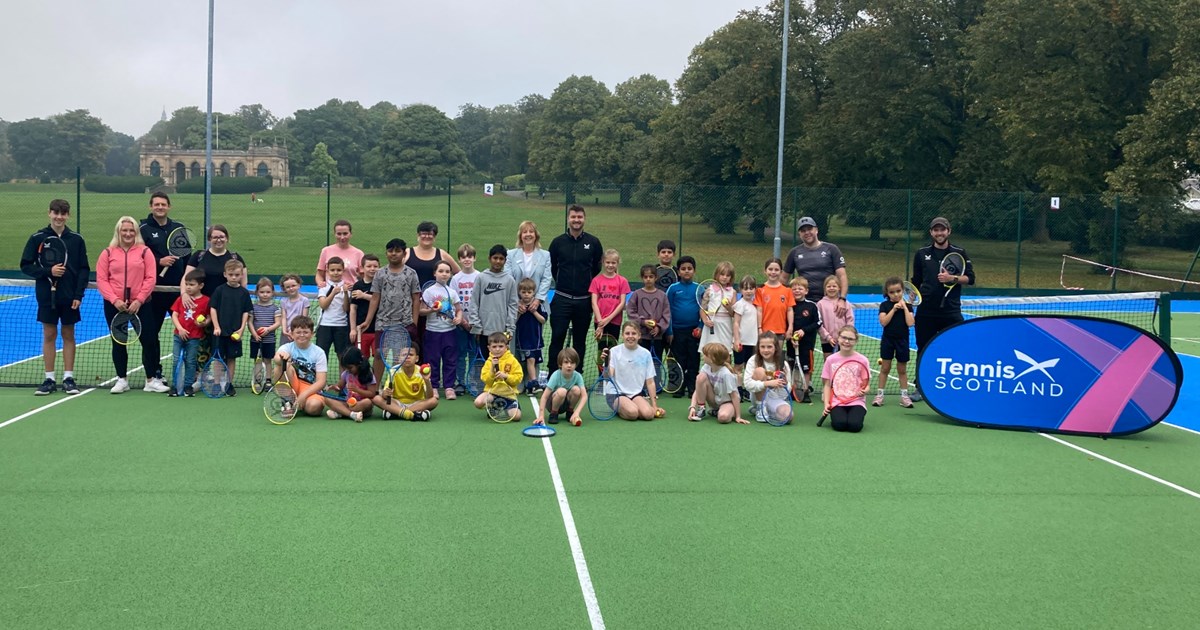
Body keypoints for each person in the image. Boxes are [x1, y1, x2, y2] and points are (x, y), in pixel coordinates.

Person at [20, 199, 89, 395]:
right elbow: (26, 265)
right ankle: (49, 379)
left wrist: (78, 295)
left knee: (69, 334)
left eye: (63, 213)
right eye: (55, 213)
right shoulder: (37, 238)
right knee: (49, 335)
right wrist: (48, 271)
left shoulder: (76, 239)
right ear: (49, 213)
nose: (59, 217)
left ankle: (68, 378)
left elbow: (83, 269)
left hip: (70, 297)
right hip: (46, 296)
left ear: (68, 215)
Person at [911, 216, 974, 401]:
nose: (939, 233)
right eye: (936, 230)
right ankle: (920, 387)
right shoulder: (922, 254)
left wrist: (952, 279)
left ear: (949, 231)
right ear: (931, 232)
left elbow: (970, 278)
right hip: (926, 311)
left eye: (942, 230)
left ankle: (952, 385)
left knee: (955, 347)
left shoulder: (959, 252)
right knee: (923, 348)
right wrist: (909, 299)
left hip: (951, 311)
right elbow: (916, 281)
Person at [95, 216, 157, 394]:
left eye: (131, 230)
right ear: (118, 232)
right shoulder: (107, 253)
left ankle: (151, 379)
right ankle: (122, 379)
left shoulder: (145, 252)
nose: (128, 233)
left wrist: (139, 300)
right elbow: (101, 279)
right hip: (115, 306)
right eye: (124, 230)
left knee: (149, 341)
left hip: (141, 305)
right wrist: (115, 300)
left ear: (136, 232)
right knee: (118, 342)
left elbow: (150, 278)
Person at [139, 192, 189, 392]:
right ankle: (154, 374)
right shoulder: (142, 229)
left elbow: (187, 257)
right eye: (156, 204)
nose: (160, 207)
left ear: (169, 207)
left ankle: (191, 372)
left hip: (177, 291)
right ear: (151, 207)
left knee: (189, 332)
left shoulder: (178, 229)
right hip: (154, 292)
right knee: (151, 334)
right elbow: (138, 256)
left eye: (163, 204)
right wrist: (159, 261)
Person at [547, 204, 603, 373]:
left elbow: (596, 268)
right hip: (561, 299)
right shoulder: (557, 243)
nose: (576, 220)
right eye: (573, 217)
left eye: (579, 217)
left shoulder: (593, 242)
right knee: (557, 338)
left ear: (584, 219)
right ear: (568, 219)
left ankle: (577, 376)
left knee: (580, 341)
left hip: (583, 301)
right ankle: (553, 375)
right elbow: (553, 268)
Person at [364, 238, 422, 383]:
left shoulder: (411, 273)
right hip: (383, 322)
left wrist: (414, 322)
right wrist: (368, 320)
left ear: (404, 253)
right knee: (378, 354)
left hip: (404, 323)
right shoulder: (380, 273)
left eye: (397, 251)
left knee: (400, 357)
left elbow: (416, 299)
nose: (393, 254)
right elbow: (375, 297)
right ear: (386, 253)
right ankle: (375, 388)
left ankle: (398, 387)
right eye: (390, 251)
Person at [782, 216, 849, 318]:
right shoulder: (794, 252)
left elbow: (842, 276)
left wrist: (842, 299)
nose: (807, 232)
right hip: (804, 302)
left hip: (830, 301)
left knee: (833, 333)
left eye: (809, 229)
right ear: (799, 234)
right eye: (803, 230)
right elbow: (784, 278)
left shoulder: (832, 249)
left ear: (816, 230)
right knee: (803, 332)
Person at [406, 221, 459, 345]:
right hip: (411, 304)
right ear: (418, 235)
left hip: (434, 306)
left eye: (430, 234)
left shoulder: (441, 254)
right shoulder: (408, 253)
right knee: (413, 340)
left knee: (429, 342)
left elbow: (458, 273)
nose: (427, 237)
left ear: (434, 237)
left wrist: (448, 294)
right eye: (423, 234)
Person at [209, 259, 253, 396]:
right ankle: (217, 384)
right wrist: (216, 326)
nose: (234, 277)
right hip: (219, 332)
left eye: (237, 275)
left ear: (241, 275)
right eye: (231, 274)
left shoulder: (244, 293)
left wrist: (241, 329)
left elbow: (246, 312)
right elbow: (213, 309)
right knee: (217, 359)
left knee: (231, 359)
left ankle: (228, 383)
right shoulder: (219, 290)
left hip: (235, 333)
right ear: (225, 274)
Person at [421, 260, 463, 400]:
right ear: (435, 273)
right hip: (432, 332)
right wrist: (432, 310)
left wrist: (458, 318)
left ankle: (449, 387)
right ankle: (434, 387)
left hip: (449, 332)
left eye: (447, 272)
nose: (444, 274)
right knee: (432, 360)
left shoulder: (452, 292)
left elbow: (458, 309)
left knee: (450, 359)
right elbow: (421, 310)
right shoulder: (429, 292)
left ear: (450, 274)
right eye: (441, 271)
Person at [602, 322, 661, 421]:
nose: (630, 336)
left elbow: (650, 382)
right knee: (633, 413)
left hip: (636, 394)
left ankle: (634, 406)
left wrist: (654, 406)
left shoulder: (646, 354)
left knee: (649, 414)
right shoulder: (614, 351)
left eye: (633, 333)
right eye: (627, 333)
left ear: (639, 336)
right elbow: (608, 377)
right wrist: (606, 363)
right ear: (622, 335)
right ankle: (623, 408)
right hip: (616, 394)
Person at [273, 315, 328, 417]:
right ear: (292, 334)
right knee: (281, 365)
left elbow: (321, 381)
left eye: (306, 332)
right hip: (292, 384)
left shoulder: (319, 352)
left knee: (314, 408)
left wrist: (304, 395)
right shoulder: (286, 347)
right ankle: (287, 400)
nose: (302, 335)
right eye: (298, 332)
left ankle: (299, 403)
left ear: (312, 334)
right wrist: (281, 358)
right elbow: (276, 359)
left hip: (310, 388)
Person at [180, 224, 247, 306]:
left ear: (226, 238)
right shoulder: (199, 256)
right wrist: (184, 294)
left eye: (221, 237)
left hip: (226, 304)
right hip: (202, 304)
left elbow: (243, 283)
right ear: (209, 239)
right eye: (215, 237)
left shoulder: (235, 257)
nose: (219, 240)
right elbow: (186, 277)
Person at [874, 276, 916, 408]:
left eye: (898, 291)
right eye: (892, 292)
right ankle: (879, 395)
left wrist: (904, 307)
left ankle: (904, 396)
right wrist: (893, 309)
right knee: (885, 368)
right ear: (887, 293)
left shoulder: (908, 306)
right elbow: (883, 322)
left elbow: (910, 323)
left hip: (902, 341)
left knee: (902, 370)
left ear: (903, 291)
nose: (896, 294)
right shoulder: (884, 305)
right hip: (888, 341)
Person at [821, 325, 871, 433]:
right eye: (844, 337)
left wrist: (865, 391)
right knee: (839, 425)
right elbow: (827, 385)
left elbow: (866, 385)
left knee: (855, 426)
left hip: (857, 401)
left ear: (856, 341)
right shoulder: (830, 360)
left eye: (851, 339)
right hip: (837, 402)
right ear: (838, 338)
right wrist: (826, 404)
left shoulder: (863, 360)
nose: (846, 341)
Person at [169, 269, 210, 397]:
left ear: (201, 286)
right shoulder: (181, 299)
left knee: (191, 361)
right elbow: (174, 315)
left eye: (191, 284)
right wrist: (180, 329)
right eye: (186, 284)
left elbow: (209, 317)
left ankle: (188, 386)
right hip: (178, 335)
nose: (188, 287)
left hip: (194, 337)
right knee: (176, 360)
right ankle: (175, 386)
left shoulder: (206, 301)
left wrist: (204, 323)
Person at [469, 244, 518, 350]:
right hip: (483, 330)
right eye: (495, 258)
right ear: (489, 259)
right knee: (484, 364)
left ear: (505, 261)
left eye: (501, 259)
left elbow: (513, 306)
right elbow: (474, 302)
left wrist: (509, 328)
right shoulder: (481, 278)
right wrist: (476, 325)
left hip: (501, 332)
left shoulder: (510, 280)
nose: (498, 261)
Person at [666, 256, 701, 398]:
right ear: (679, 272)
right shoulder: (673, 289)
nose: (686, 271)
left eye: (689, 269)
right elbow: (666, 310)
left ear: (694, 271)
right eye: (683, 269)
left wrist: (700, 326)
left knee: (694, 359)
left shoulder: (699, 288)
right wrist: (669, 331)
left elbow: (705, 310)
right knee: (678, 360)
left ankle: (692, 387)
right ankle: (678, 387)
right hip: (676, 331)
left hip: (694, 331)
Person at [373, 345, 437, 421]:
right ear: (399, 358)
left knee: (434, 401)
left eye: (411, 354)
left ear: (417, 358)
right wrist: (385, 394)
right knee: (377, 399)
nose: (407, 357)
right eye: (404, 355)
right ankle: (415, 414)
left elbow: (429, 397)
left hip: (417, 403)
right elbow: (385, 396)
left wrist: (426, 380)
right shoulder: (393, 371)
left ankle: (397, 413)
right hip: (397, 402)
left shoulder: (421, 372)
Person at [688, 342, 746, 424]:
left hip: (727, 401)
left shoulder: (726, 374)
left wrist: (738, 416)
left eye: (705, 355)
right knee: (700, 377)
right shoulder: (706, 367)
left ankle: (724, 412)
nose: (703, 356)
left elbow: (734, 396)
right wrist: (692, 407)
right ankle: (702, 409)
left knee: (723, 418)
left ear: (712, 359)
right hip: (714, 400)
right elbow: (698, 389)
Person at [449, 244, 480, 396]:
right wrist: (462, 321)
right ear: (459, 259)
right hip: (460, 324)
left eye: (469, 256)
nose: (467, 259)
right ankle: (460, 382)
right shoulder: (455, 279)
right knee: (460, 354)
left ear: (474, 258)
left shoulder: (480, 276)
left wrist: (474, 322)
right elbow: (454, 302)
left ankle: (473, 382)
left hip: (476, 325)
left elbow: (481, 300)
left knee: (474, 354)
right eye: (463, 257)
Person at [742, 333, 792, 423]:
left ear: (775, 347)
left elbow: (786, 393)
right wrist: (767, 383)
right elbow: (747, 385)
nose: (766, 350)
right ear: (758, 348)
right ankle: (760, 407)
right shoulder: (753, 360)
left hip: (775, 398)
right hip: (757, 397)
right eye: (762, 347)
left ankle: (761, 410)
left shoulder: (783, 364)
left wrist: (784, 385)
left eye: (769, 347)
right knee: (760, 371)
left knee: (788, 417)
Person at [505, 221, 552, 317]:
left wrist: (537, 300)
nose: (528, 234)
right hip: (515, 307)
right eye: (525, 232)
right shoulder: (510, 255)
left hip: (537, 307)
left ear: (536, 235)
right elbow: (508, 279)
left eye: (531, 232)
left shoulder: (545, 255)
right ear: (520, 236)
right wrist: (517, 301)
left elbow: (546, 279)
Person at [473, 332, 523, 422]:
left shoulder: (512, 361)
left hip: (509, 395)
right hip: (492, 393)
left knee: (517, 417)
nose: (497, 349)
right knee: (478, 402)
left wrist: (506, 376)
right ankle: (493, 406)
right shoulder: (489, 362)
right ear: (489, 348)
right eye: (494, 346)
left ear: (506, 347)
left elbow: (518, 378)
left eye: (501, 346)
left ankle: (506, 407)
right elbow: (486, 380)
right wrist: (492, 369)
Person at [626, 264, 671, 358]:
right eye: (645, 277)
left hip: (657, 337)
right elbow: (631, 311)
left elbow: (666, 314)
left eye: (651, 276)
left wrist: (659, 327)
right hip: (640, 336)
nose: (648, 279)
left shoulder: (662, 295)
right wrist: (642, 322)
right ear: (642, 278)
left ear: (656, 277)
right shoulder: (637, 294)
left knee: (655, 363)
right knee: (640, 362)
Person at [535, 347, 588, 426]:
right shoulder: (556, 375)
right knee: (562, 391)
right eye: (566, 362)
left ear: (576, 364)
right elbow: (544, 396)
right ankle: (554, 414)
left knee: (577, 390)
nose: (569, 365)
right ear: (560, 364)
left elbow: (584, 396)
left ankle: (570, 412)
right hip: (552, 403)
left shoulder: (578, 376)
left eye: (572, 363)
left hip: (565, 402)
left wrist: (577, 412)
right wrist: (541, 415)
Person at [788, 277, 821, 403]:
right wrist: (791, 337)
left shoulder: (812, 306)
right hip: (792, 343)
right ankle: (794, 390)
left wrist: (804, 330)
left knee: (806, 369)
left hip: (807, 345)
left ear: (806, 291)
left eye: (800, 288)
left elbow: (818, 322)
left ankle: (806, 391)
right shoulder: (789, 306)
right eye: (794, 288)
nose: (797, 291)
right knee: (793, 368)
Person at [323, 347, 377, 422]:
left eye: (350, 368)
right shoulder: (346, 373)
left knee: (368, 402)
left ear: (358, 363)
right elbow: (340, 386)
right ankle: (351, 414)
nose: (348, 370)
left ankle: (341, 412)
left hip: (362, 405)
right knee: (327, 400)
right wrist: (335, 387)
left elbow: (372, 394)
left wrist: (357, 390)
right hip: (349, 403)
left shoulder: (368, 374)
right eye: (346, 368)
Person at [514, 277, 547, 395]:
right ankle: (533, 382)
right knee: (529, 360)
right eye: (523, 292)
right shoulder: (518, 306)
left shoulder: (537, 305)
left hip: (536, 340)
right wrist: (519, 313)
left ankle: (530, 386)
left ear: (534, 292)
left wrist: (534, 312)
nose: (526, 295)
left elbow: (543, 320)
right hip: (522, 340)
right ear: (519, 292)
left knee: (533, 361)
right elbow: (513, 321)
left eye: (529, 292)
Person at [315, 257, 351, 361]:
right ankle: (321, 377)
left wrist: (345, 293)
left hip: (341, 326)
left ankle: (342, 378)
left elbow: (346, 308)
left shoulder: (346, 288)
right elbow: (323, 305)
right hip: (325, 325)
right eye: (332, 270)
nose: (335, 273)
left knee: (342, 356)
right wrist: (333, 293)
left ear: (343, 271)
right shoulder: (323, 287)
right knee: (321, 355)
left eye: (339, 270)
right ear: (327, 271)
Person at [589, 248, 630, 340]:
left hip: (615, 321)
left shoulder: (622, 281)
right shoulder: (596, 281)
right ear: (603, 262)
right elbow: (594, 303)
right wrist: (600, 322)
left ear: (617, 263)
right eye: (608, 262)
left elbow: (622, 303)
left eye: (613, 263)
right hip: (599, 321)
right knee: (601, 350)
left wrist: (607, 319)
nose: (610, 265)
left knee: (612, 348)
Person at [249, 277, 282, 385]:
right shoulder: (253, 308)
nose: (265, 294)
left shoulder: (275, 308)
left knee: (268, 360)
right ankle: (257, 380)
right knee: (257, 360)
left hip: (269, 340)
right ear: (257, 293)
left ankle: (268, 380)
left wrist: (268, 329)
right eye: (262, 292)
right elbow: (250, 322)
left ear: (272, 293)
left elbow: (278, 323)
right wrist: (254, 334)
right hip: (255, 339)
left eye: (268, 292)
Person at [699, 261, 737, 354]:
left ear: (731, 277)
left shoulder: (733, 292)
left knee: (725, 352)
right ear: (716, 275)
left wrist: (728, 308)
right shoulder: (709, 290)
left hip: (726, 325)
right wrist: (705, 320)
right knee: (709, 353)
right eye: (722, 274)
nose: (724, 277)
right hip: (711, 324)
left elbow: (734, 314)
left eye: (728, 275)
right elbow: (702, 309)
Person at [348, 254, 381, 363]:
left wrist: (364, 296)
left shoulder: (382, 284)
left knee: (379, 355)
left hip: (379, 328)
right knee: (362, 358)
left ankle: (375, 378)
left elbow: (383, 301)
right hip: (362, 330)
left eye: (375, 266)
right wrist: (353, 329)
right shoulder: (357, 286)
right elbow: (353, 309)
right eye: (369, 266)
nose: (372, 269)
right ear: (362, 268)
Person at [316, 219, 365, 288]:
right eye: (339, 234)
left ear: (350, 234)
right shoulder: (326, 251)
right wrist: (321, 283)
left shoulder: (358, 253)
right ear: (335, 234)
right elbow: (319, 274)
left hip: (351, 293)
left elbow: (364, 276)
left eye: (345, 234)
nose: (342, 237)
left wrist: (356, 286)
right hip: (331, 293)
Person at [755, 258, 795, 341]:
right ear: (765, 271)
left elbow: (789, 310)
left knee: (777, 354)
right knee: (764, 353)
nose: (773, 272)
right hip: (764, 331)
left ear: (781, 272)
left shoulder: (787, 290)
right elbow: (759, 310)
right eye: (770, 269)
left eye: (776, 270)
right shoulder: (760, 290)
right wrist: (759, 328)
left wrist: (790, 327)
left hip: (780, 331)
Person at [816, 274, 854, 360]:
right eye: (829, 286)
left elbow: (850, 320)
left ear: (839, 288)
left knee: (843, 363)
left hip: (844, 340)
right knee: (829, 363)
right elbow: (819, 324)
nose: (831, 288)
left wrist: (845, 336)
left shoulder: (846, 304)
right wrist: (828, 337)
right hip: (827, 341)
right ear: (825, 289)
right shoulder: (820, 304)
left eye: (834, 286)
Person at [731, 275, 759, 380]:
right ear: (740, 290)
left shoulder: (756, 304)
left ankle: (748, 388)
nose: (748, 291)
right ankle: (738, 388)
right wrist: (737, 340)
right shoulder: (740, 305)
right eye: (745, 288)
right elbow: (736, 323)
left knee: (750, 366)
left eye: (751, 288)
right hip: (741, 342)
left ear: (755, 289)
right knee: (738, 366)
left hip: (753, 342)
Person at [278, 274, 311, 346]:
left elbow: (304, 318)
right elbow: (283, 317)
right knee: (284, 354)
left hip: (299, 332)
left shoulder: (304, 300)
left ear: (299, 285)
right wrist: (284, 330)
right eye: (288, 287)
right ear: (284, 289)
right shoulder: (283, 301)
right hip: (286, 333)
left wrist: (295, 331)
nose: (291, 288)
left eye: (293, 286)